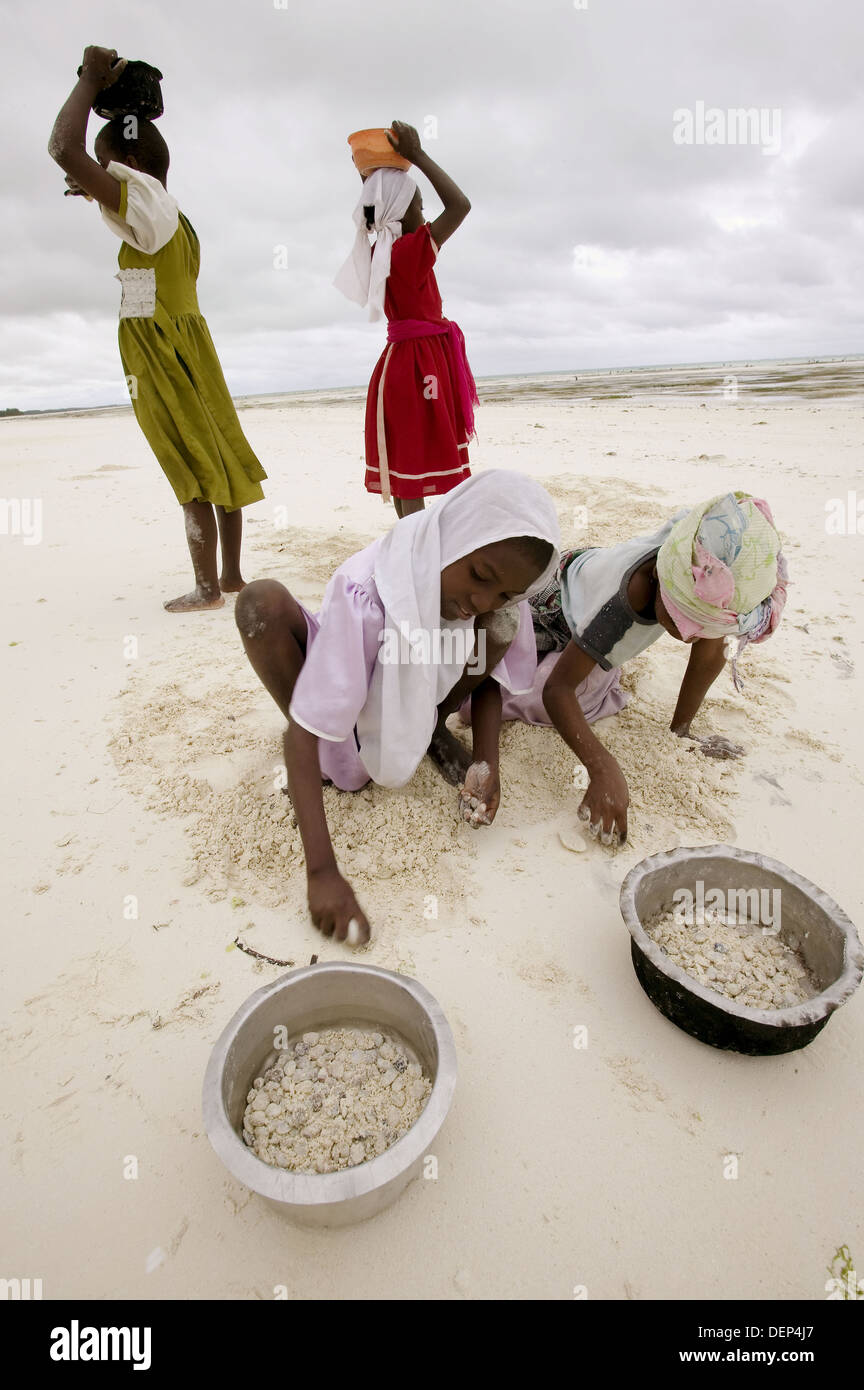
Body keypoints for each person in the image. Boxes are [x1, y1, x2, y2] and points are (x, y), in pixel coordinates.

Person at [235, 470, 561, 942]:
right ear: (451, 536)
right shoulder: (369, 595)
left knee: (502, 625)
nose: (480, 600)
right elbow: (298, 737)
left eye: (506, 592)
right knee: (258, 603)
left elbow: (487, 682)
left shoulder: (497, 590)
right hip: (348, 669)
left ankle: (429, 726)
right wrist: (322, 872)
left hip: (419, 683)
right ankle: (337, 736)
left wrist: (489, 762)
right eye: (480, 577)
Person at [48, 46, 267, 612]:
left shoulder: (139, 206)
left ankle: (206, 588)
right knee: (216, 445)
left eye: (106, 166)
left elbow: (62, 149)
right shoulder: (171, 215)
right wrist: (101, 189)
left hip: (158, 349)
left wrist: (91, 80)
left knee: (186, 458)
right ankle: (232, 574)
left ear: (131, 169)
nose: (97, 177)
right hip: (190, 341)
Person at [468, 492, 788, 846]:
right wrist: (601, 767)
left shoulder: (693, 558)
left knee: (596, 675)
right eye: (682, 620)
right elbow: (558, 691)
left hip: (595, 620)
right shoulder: (633, 591)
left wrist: (681, 731)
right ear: (659, 576)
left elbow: (709, 652)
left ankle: (594, 661)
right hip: (551, 611)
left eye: (700, 627)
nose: (687, 636)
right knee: (573, 694)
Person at [334, 121, 476, 517]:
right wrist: (418, 156)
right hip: (421, 363)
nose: (424, 213)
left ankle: (411, 545)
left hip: (398, 363)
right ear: (400, 210)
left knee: (406, 468)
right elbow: (461, 205)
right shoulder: (410, 251)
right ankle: (432, 548)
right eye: (418, 205)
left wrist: (373, 177)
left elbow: (375, 203)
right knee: (423, 460)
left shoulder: (382, 249)